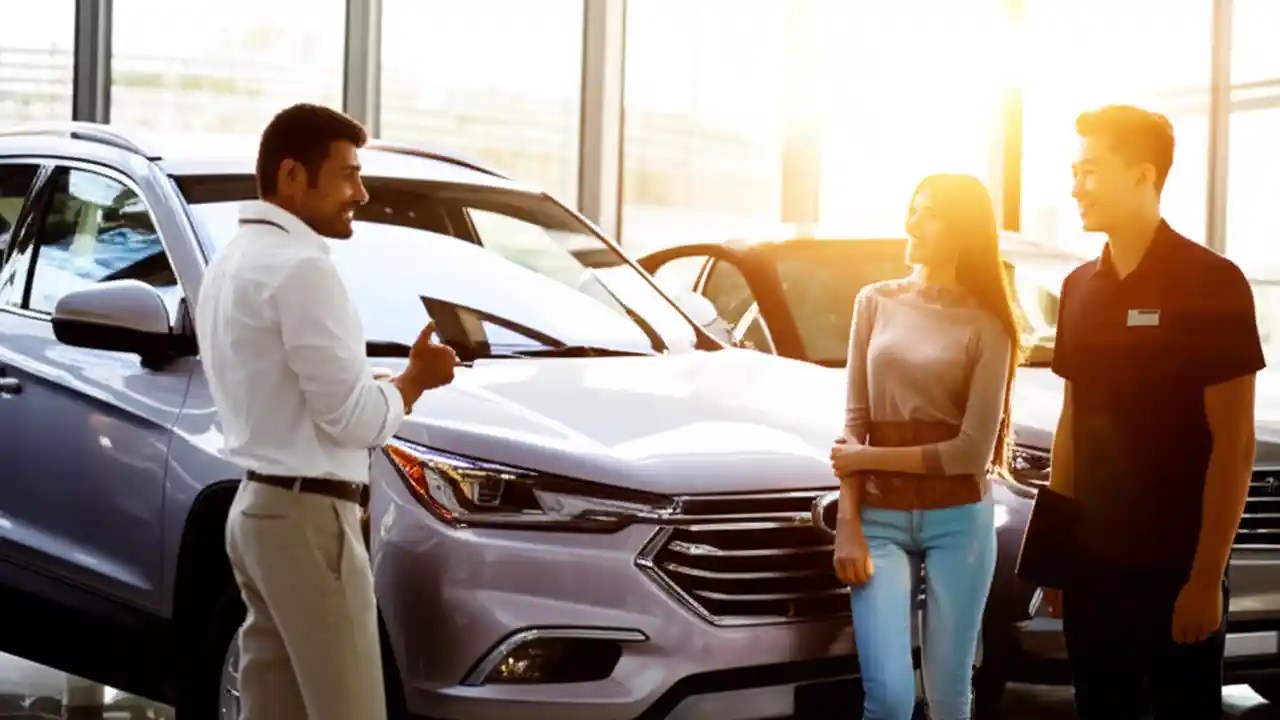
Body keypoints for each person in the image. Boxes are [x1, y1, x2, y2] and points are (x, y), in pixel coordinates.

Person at [195, 103, 457, 720]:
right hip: (310, 522)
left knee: (273, 710)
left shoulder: (232, 262)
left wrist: (382, 384)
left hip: (258, 512)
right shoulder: (303, 268)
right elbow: (355, 422)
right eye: (346, 174)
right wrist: (415, 382)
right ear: (292, 176)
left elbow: (294, 389)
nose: (360, 193)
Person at [1038, 105, 1264, 719]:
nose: (1075, 187)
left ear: (1142, 175)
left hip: (1175, 571)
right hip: (1091, 570)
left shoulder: (1213, 282)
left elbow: (1235, 443)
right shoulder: (1079, 288)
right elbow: (1072, 427)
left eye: (1090, 171)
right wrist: (1056, 558)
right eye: (1074, 171)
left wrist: (1204, 578)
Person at [829, 173, 1021, 719]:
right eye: (913, 208)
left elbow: (969, 454)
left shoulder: (990, 324)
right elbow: (855, 422)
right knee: (887, 700)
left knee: (949, 698)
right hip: (879, 521)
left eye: (929, 212)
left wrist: (866, 459)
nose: (912, 222)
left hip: (959, 520)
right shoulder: (875, 302)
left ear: (962, 229)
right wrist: (849, 520)